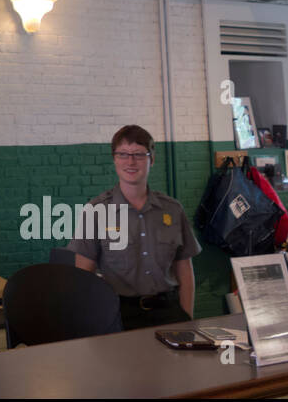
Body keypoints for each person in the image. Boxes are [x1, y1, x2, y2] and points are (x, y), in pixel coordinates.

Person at [67, 125, 200, 331]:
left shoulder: (173, 209)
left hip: (169, 312)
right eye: (123, 154)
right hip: (118, 316)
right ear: (114, 159)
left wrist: (187, 318)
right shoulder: (96, 211)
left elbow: (185, 270)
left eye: (139, 154)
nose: (130, 161)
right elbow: (83, 279)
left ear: (151, 160)